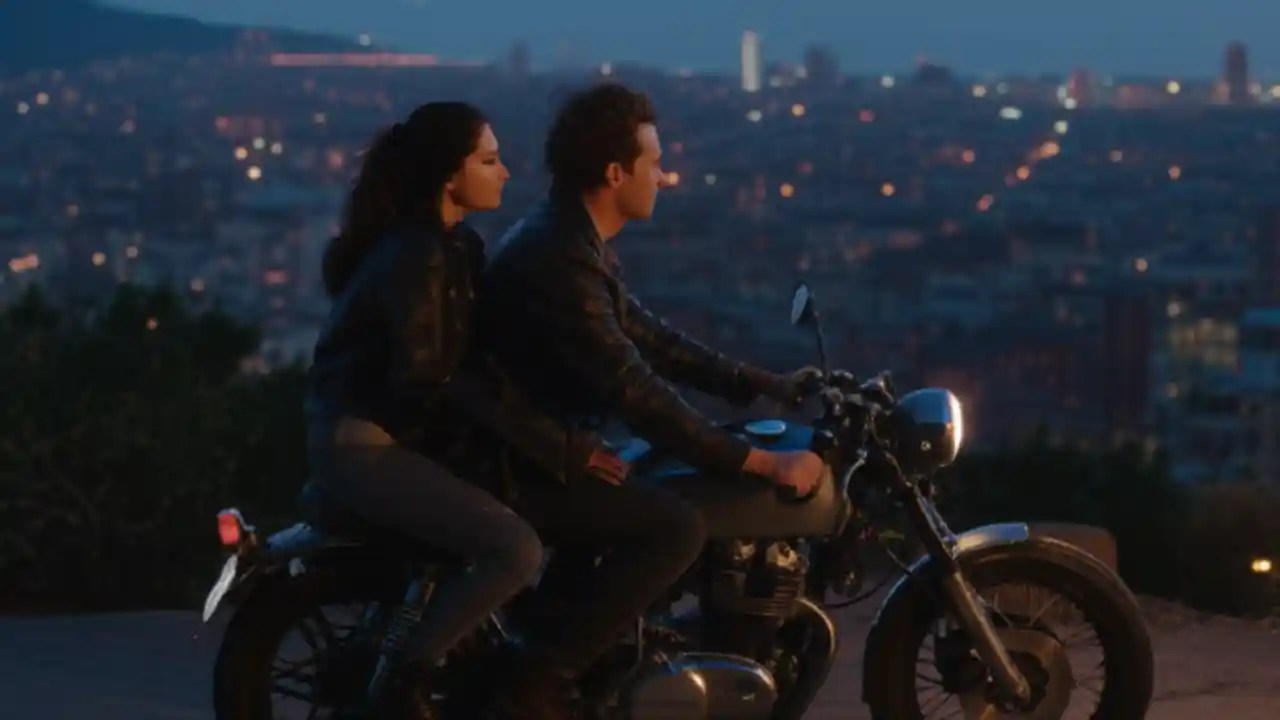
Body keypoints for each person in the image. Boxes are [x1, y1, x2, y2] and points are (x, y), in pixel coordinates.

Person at [474, 83, 826, 719]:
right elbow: (635, 390)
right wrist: (760, 464)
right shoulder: (562, 259)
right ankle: (538, 682)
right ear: (615, 173)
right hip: (526, 460)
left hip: (551, 445)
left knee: (660, 477)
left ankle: (586, 649)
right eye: (655, 163)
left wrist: (755, 382)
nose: (665, 177)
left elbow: (646, 338)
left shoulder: (570, 238)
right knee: (676, 525)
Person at [303, 101, 625, 719]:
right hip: (367, 445)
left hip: (384, 434)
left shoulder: (451, 247)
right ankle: (406, 676)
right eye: (488, 159)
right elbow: (436, 378)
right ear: (449, 177)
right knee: (516, 549)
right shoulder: (419, 256)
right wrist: (550, 441)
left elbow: (477, 362)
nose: (505, 172)